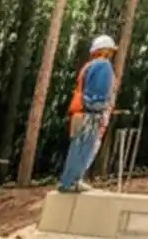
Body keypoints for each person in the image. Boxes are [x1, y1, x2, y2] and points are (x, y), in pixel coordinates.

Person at [58, 34, 117, 193]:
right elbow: (98, 94)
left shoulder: (88, 66)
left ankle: (69, 180)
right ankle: (72, 181)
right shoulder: (103, 66)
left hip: (79, 113)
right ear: (106, 51)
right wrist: (101, 109)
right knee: (85, 149)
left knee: (76, 148)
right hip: (90, 115)